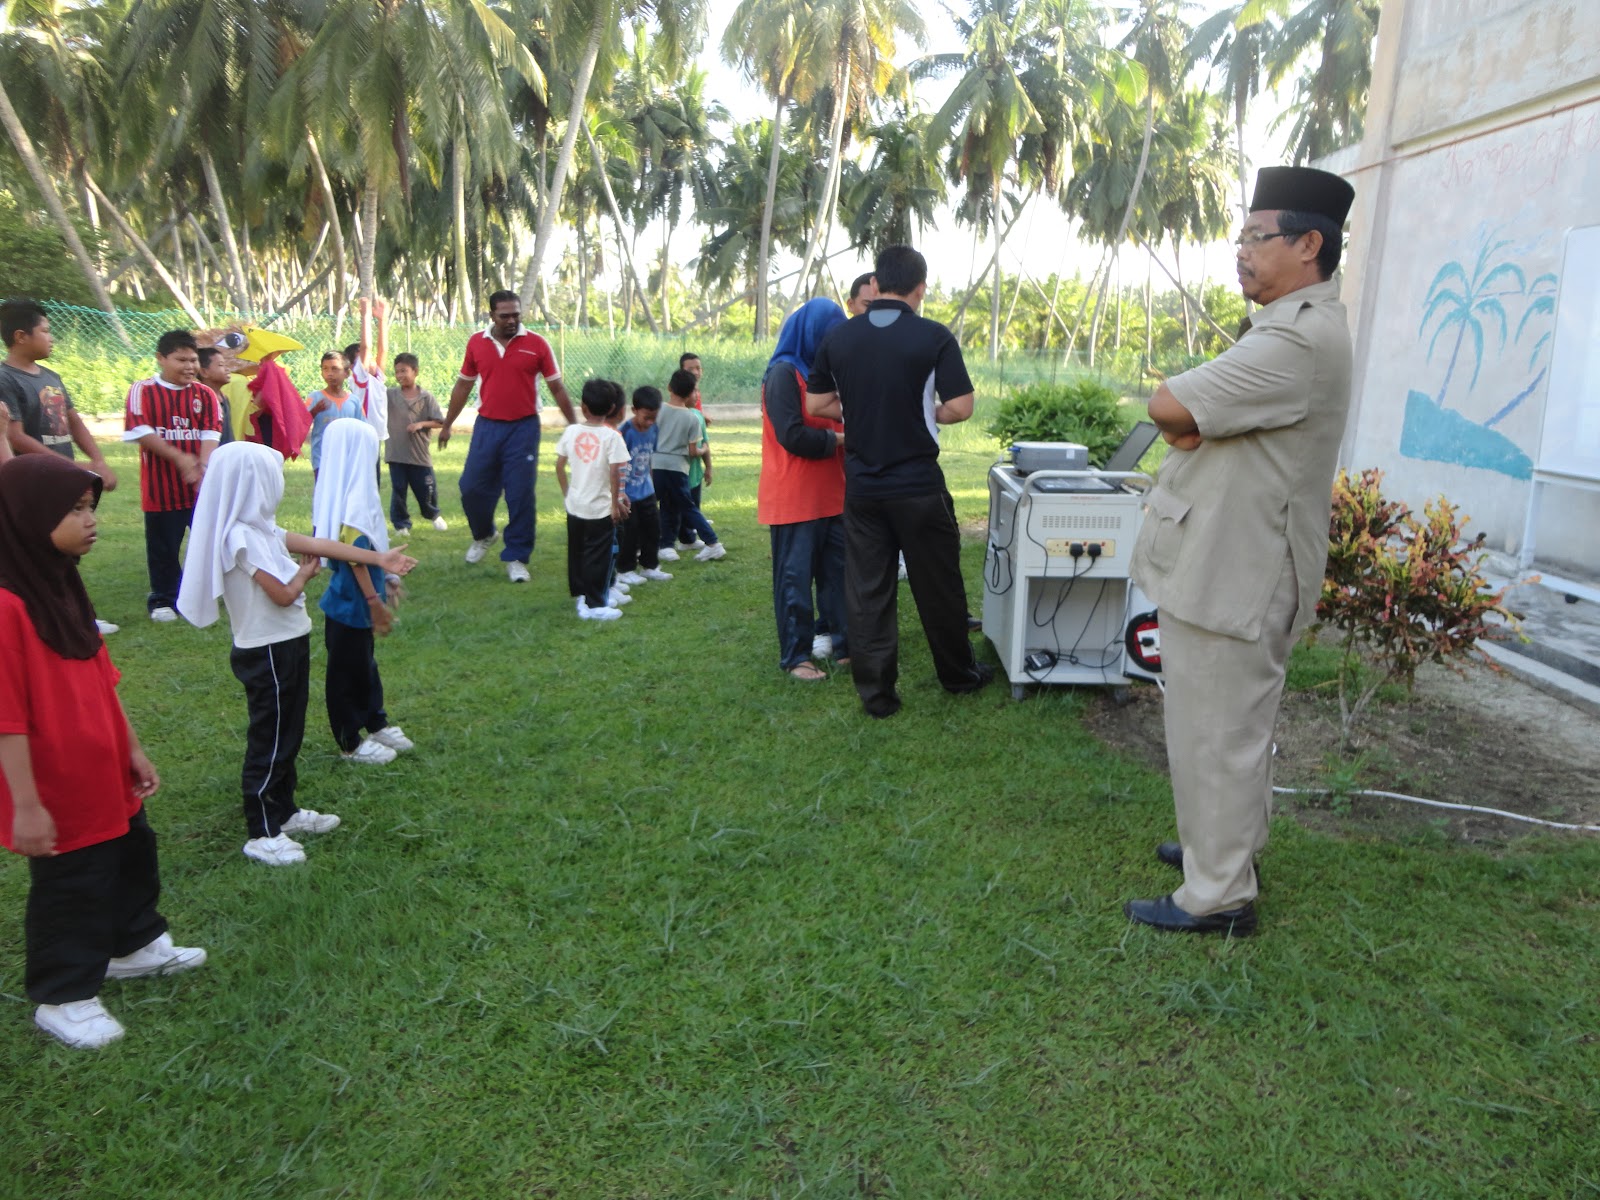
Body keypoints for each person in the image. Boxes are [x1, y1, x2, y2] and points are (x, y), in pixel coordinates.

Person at [1121, 166, 1356, 937]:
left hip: (1241, 567)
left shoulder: (1298, 338)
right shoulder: (1289, 328)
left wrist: (1185, 421)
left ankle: (1218, 894)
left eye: (1257, 237)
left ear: (1308, 244)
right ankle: (1223, 851)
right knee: (1221, 727)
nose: (1241, 251)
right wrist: (1189, 424)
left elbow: (1168, 405)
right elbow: (1187, 421)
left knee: (1218, 734)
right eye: (1241, 236)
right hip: (1231, 556)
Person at [0, 454, 206, 1049]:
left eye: (90, 507)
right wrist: (26, 805)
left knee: (132, 853)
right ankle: (63, 995)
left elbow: (101, 677)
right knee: (74, 882)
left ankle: (132, 945)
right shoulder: (8, 606)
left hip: (103, 765)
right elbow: (6, 719)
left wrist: (131, 749)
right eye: (73, 510)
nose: (90, 520)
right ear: (26, 517)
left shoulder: (61, 581)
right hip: (55, 781)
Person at [178, 440, 419, 864]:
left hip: (287, 645)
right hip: (266, 653)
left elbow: (323, 545)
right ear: (254, 484)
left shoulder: (261, 530)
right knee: (271, 739)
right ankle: (262, 831)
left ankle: (284, 812)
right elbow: (283, 595)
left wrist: (378, 558)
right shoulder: (240, 537)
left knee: (288, 733)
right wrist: (305, 574)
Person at [806, 244, 993, 719]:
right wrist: (923, 411)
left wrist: (862, 412)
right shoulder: (933, 336)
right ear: (920, 288)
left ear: (876, 283)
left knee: (868, 591)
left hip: (863, 488)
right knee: (939, 584)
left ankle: (878, 697)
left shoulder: (840, 338)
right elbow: (961, 407)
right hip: (918, 486)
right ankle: (958, 676)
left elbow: (816, 404)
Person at [1, 298, 123, 634]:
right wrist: (68, 469)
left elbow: (73, 420)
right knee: (40, 551)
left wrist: (98, 460)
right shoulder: (5, 379)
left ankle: (77, 613)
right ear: (21, 336)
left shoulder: (51, 376)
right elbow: (16, 436)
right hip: (34, 486)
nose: (52, 337)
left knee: (70, 550)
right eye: (45, 331)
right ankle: (52, 614)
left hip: (62, 483)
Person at [440, 290, 576, 584]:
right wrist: (447, 424)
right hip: (487, 426)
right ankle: (485, 534)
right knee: (471, 487)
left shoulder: (537, 344)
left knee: (520, 493)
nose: (512, 320)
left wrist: (575, 426)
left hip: (523, 428)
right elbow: (463, 386)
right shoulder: (477, 343)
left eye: (516, 314)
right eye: (505, 316)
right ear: (491, 315)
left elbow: (557, 387)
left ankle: (517, 557)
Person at [313, 419, 416, 764]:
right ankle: (350, 742)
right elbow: (356, 558)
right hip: (350, 606)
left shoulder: (356, 494)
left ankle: (375, 722)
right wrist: (374, 602)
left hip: (358, 605)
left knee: (365, 666)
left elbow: (372, 548)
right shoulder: (354, 501)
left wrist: (388, 580)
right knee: (346, 675)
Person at [760, 298, 849, 681]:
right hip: (794, 497)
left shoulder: (824, 376)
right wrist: (841, 440)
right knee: (794, 581)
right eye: (828, 336)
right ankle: (796, 657)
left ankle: (845, 647)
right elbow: (792, 435)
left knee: (839, 577)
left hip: (833, 494)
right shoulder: (784, 374)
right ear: (811, 334)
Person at [123, 330, 224, 623]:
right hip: (161, 489)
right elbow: (140, 430)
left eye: (193, 360)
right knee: (163, 547)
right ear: (161, 358)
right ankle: (164, 599)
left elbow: (211, 431)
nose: (190, 367)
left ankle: (206, 593)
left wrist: (202, 467)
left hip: (199, 488)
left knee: (210, 541)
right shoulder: (142, 390)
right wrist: (179, 458)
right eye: (181, 360)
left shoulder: (205, 394)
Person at [555, 380, 630, 621]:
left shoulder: (571, 432)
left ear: (583, 406)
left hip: (575, 505)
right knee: (598, 556)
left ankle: (582, 596)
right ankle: (595, 604)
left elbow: (559, 466)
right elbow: (614, 472)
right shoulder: (612, 437)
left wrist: (568, 493)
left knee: (577, 552)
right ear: (612, 408)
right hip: (599, 509)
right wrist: (615, 504)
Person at [655, 369, 724, 563]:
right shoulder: (692, 418)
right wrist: (704, 449)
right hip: (677, 468)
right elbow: (693, 451)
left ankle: (710, 543)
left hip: (657, 466)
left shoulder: (658, 410)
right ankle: (710, 543)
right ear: (690, 394)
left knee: (659, 505)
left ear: (669, 387)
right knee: (686, 506)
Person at [615, 387, 673, 587]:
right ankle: (625, 569)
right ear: (634, 410)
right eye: (646, 417)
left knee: (653, 528)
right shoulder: (625, 432)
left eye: (654, 418)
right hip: (627, 494)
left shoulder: (654, 429)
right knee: (630, 533)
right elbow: (616, 464)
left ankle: (650, 565)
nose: (650, 422)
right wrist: (619, 493)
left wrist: (651, 483)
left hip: (646, 490)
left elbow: (649, 459)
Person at [385, 352, 447, 534]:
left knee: (426, 487)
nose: (400, 375)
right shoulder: (390, 395)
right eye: (397, 371)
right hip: (396, 454)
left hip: (419, 455)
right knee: (399, 490)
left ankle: (433, 514)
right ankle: (401, 524)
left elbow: (440, 422)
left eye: (404, 371)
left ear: (415, 371)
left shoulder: (426, 397)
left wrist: (421, 424)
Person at [344, 297, 389, 457]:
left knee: (373, 470)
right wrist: (365, 316)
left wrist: (382, 320)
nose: (370, 359)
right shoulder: (359, 378)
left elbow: (383, 350)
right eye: (363, 358)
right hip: (363, 431)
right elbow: (366, 347)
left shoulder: (376, 377)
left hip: (375, 433)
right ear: (352, 366)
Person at [196, 347, 236, 446]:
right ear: (204, 372)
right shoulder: (201, 401)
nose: (227, 369)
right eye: (221, 365)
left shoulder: (224, 398)